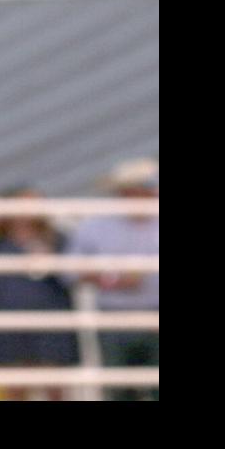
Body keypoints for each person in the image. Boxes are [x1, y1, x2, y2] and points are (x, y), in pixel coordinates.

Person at [65, 158, 159, 400]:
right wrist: (111, 280)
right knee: (117, 387)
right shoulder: (95, 226)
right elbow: (71, 270)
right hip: (113, 316)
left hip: (153, 314)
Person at [0, 185, 78, 400]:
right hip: (9, 315)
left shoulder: (56, 237)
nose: (27, 210)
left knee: (53, 383)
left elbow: (69, 269)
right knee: (15, 385)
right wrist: (2, 212)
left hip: (49, 315)